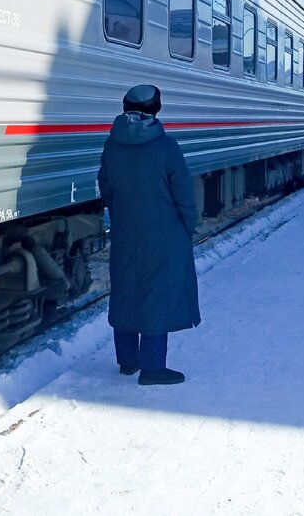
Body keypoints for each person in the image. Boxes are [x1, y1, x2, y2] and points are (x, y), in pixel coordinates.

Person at [98, 84, 199, 386]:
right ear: (156, 109)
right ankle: (153, 368)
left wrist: (121, 216)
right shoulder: (166, 146)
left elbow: (105, 186)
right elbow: (184, 194)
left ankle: (128, 360)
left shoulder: (111, 144)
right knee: (158, 294)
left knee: (126, 290)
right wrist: (188, 226)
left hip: (126, 230)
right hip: (164, 233)